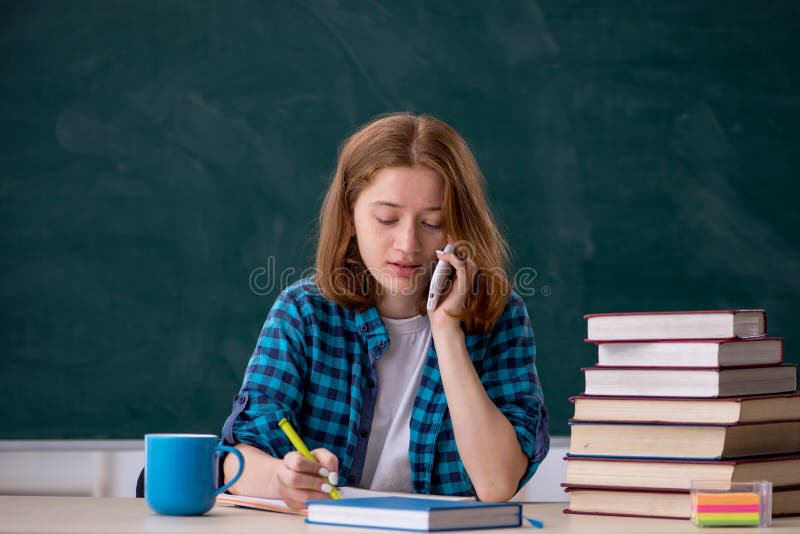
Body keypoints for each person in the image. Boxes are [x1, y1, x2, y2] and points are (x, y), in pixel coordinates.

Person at [221, 112, 549, 509]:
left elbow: (496, 483)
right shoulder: (303, 312)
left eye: (433, 222)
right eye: (386, 219)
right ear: (351, 218)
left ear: (459, 225)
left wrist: (447, 331)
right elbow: (235, 461)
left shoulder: (501, 316)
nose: (407, 244)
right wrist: (282, 479)